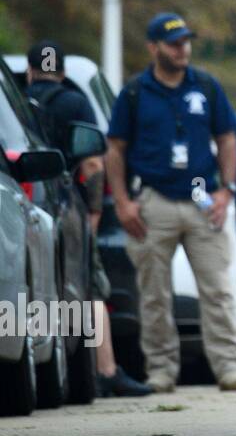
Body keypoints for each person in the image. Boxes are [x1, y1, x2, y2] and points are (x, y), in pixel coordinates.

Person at [104, 13, 236, 393]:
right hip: (153, 198)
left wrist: (227, 190)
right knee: (154, 293)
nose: (182, 49)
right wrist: (122, 202)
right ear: (153, 47)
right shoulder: (135, 93)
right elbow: (115, 149)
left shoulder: (206, 86)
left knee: (217, 287)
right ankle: (161, 370)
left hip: (204, 197)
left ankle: (229, 366)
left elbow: (229, 139)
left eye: (185, 41)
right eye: (173, 43)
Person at [25, 41, 151, 397]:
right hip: (65, 204)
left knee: (38, 288)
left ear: (31, 71)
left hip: (26, 200)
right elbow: (95, 163)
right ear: (62, 72)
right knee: (91, 288)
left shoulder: (18, 104)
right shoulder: (75, 102)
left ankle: (43, 367)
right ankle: (106, 370)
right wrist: (93, 213)